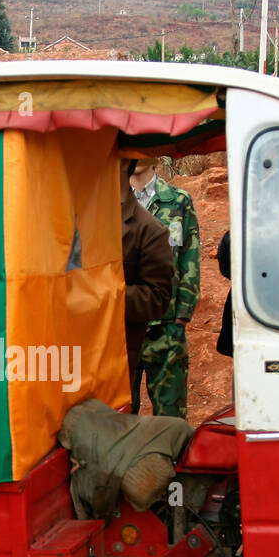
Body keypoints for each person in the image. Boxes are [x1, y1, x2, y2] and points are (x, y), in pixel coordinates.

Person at [128, 157, 200, 417]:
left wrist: (182, 315)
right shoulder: (109, 201)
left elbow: (190, 257)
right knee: (119, 417)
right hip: (124, 324)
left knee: (171, 417)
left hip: (167, 325)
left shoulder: (178, 200)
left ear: (157, 155)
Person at [120, 165, 174, 407]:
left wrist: (182, 316)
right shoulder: (81, 213)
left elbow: (159, 294)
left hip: (124, 346)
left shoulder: (150, 229)